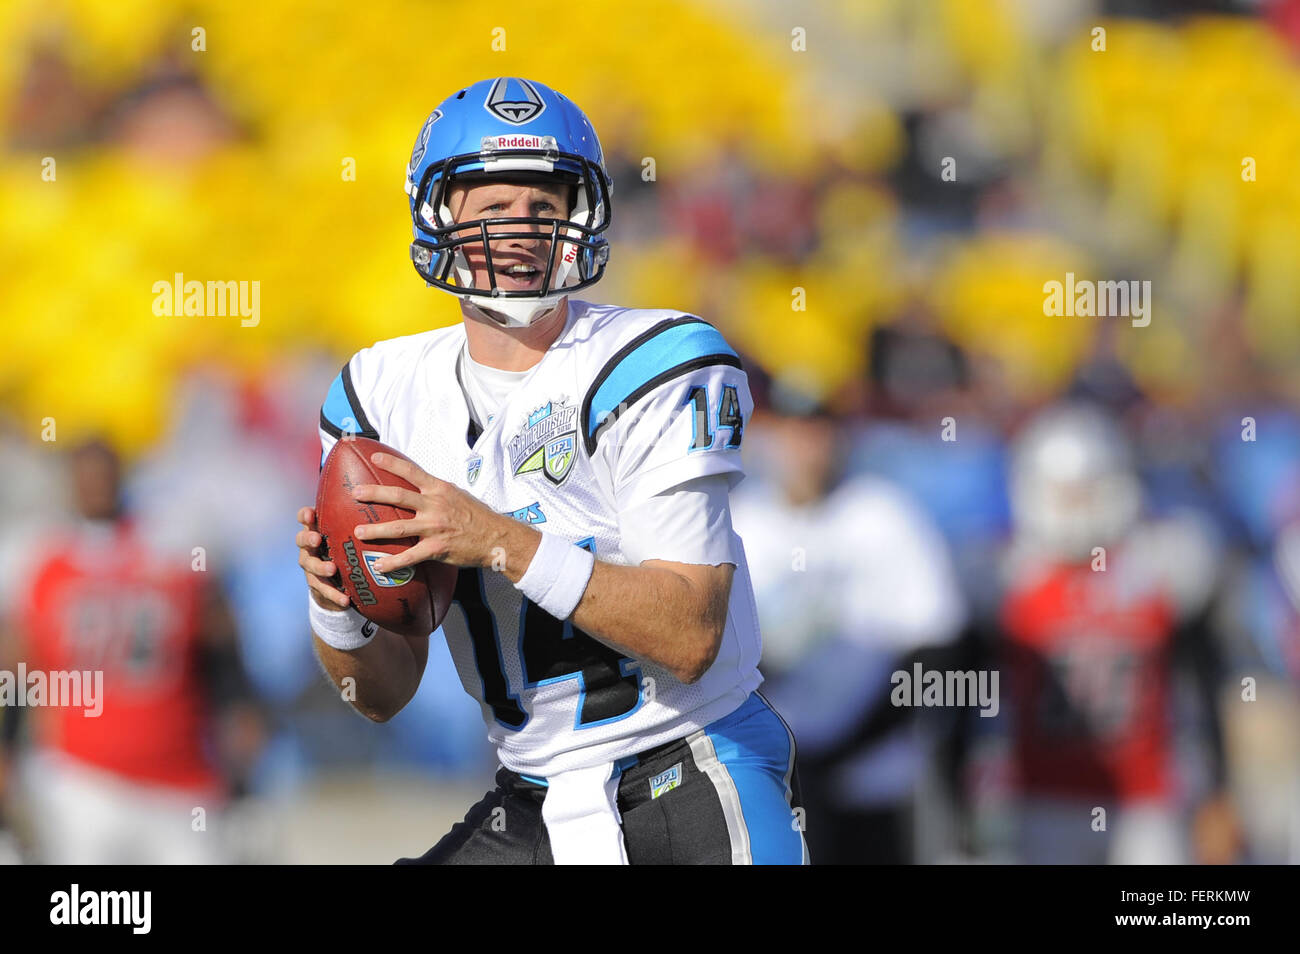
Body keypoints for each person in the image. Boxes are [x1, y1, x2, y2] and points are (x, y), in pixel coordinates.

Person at [294, 77, 807, 865]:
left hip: (691, 766)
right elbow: (381, 696)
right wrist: (339, 609)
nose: (523, 229)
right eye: (494, 207)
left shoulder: (656, 362)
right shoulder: (378, 395)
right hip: (529, 796)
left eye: (544, 204)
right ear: (439, 216)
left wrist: (498, 541)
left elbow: (690, 632)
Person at [0, 439, 263, 864]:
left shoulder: (171, 548)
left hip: (181, 777)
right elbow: (18, 669)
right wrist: (7, 748)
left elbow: (218, 646)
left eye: (103, 474)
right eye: (84, 476)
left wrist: (239, 713)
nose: (95, 486)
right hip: (83, 777)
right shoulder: (40, 559)